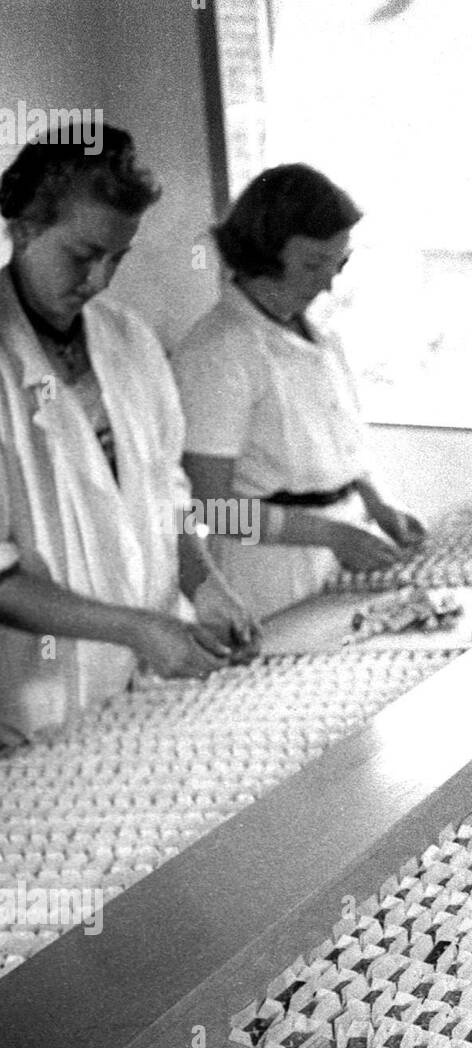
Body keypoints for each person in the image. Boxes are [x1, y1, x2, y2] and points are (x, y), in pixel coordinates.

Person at [0, 125, 258, 746]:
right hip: (34, 698)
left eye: (118, 257)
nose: (100, 280)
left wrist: (204, 585)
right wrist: (137, 628)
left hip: (145, 690)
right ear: (24, 227)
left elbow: (167, 495)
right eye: (84, 254)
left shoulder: (128, 340)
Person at [171, 163, 426, 620]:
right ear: (264, 252)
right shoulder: (218, 351)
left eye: (339, 263)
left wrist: (377, 503)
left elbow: (341, 454)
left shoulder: (322, 339)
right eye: (313, 264)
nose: (330, 283)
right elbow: (211, 508)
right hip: (270, 575)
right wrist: (332, 535)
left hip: (345, 546)